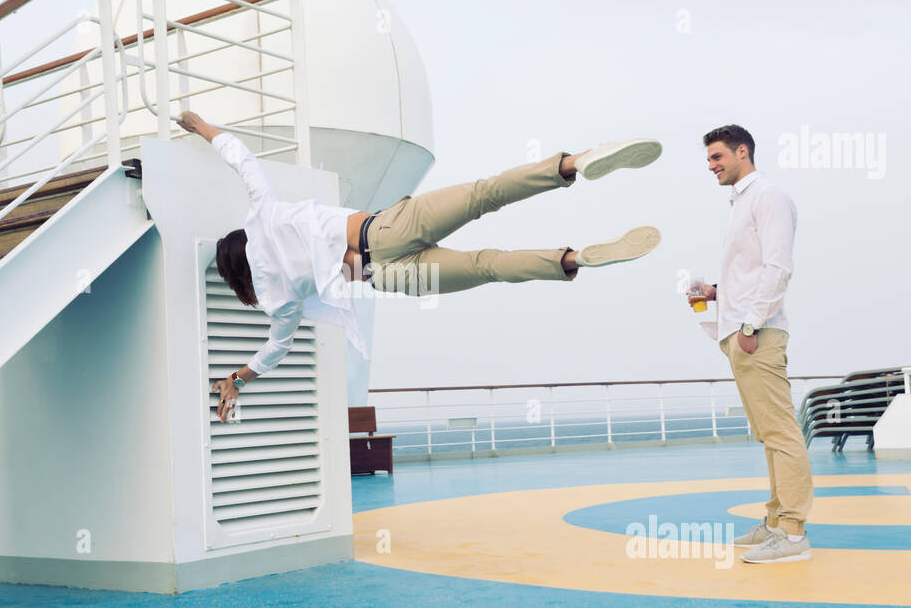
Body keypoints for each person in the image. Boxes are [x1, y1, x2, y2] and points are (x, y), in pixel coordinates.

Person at [177, 111, 663, 422]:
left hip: (388, 277)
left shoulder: (277, 300)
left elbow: (275, 351)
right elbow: (242, 160)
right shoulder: (263, 216)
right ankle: (575, 163)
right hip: (384, 230)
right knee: (483, 195)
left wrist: (235, 381)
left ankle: (572, 259)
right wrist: (202, 128)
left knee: (486, 266)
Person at [689, 124, 814, 564]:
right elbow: (752, 272)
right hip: (741, 332)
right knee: (769, 435)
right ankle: (777, 522)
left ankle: (794, 535)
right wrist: (716, 292)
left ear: (743, 152)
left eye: (718, 156)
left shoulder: (769, 196)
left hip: (754, 335)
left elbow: (778, 267)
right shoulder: (743, 202)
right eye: (709, 159)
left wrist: (749, 326)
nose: (712, 165)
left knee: (780, 432)